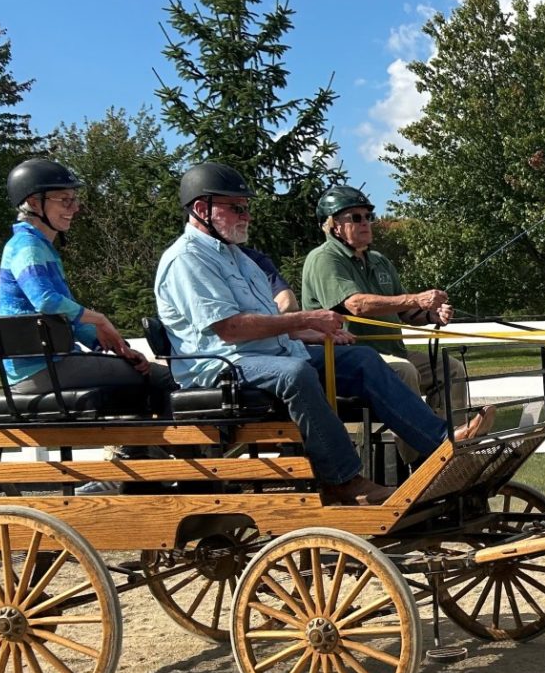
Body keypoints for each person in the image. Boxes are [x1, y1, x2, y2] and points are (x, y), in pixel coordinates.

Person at [153, 162, 489, 506]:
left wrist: (307, 332)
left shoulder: (238, 258)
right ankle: (342, 480)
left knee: (361, 359)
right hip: (221, 367)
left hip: (265, 355)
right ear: (201, 209)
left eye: (247, 207)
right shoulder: (187, 259)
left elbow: (265, 322)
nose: (247, 216)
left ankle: (441, 444)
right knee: (294, 373)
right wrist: (305, 318)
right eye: (237, 208)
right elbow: (229, 328)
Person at [0, 158, 174, 492]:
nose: (75, 208)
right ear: (33, 202)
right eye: (65, 200)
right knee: (163, 377)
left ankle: (137, 467)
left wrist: (116, 348)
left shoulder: (39, 247)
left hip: (49, 365)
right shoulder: (27, 246)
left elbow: (67, 321)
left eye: (75, 199)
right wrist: (100, 318)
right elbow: (46, 302)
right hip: (41, 370)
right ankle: (145, 470)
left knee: (142, 374)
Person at [301, 185, 483, 465]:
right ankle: (423, 461)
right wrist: (416, 298)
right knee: (404, 371)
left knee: (450, 369)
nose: (365, 223)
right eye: (356, 217)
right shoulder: (324, 259)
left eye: (368, 216)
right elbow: (356, 304)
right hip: (349, 360)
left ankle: (455, 446)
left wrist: (430, 315)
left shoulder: (378, 261)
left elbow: (405, 312)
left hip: (391, 352)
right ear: (333, 225)